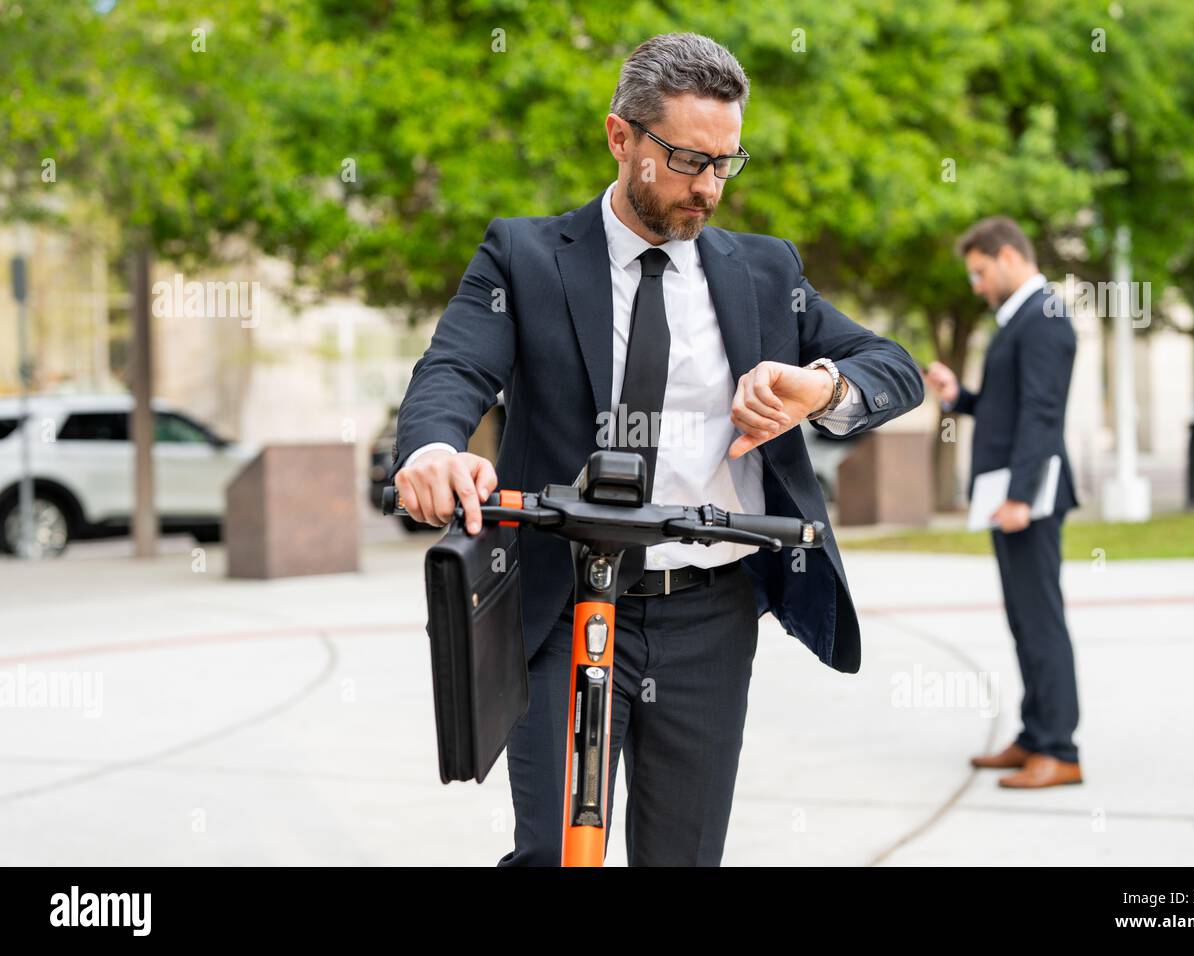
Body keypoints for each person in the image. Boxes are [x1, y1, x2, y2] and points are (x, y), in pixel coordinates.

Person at [391, 32, 923, 865]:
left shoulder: (762, 269)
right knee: (553, 855)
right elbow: (453, 369)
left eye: (725, 163)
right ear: (620, 137)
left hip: (708, 614)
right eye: (685, 160)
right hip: (562, 601)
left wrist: (820, 387)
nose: (707, 187)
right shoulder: (524, 256)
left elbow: (894, 368)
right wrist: (430, 449)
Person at [924, 216, 1084, 789]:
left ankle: (1060, 749)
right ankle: (1036, 735)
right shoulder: (1020, 320)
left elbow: (1042, 414)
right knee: (1025, 621)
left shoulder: (1042, 319)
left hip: (1029, 500)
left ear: (1010, 257)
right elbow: (1009, 406)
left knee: (1040, 622)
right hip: (1015, 497)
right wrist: (960, 397)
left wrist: (1020, 497)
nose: (976, 285)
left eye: (980, 271)